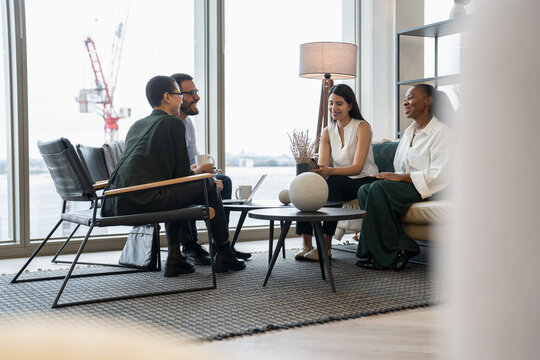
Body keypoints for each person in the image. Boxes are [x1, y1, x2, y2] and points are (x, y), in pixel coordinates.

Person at [102, 75, 245, 276]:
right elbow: (181, 176)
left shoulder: (138, 124)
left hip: (118, 201)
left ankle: (175, 256)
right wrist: (202, 173)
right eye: (179, 94)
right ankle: (224, 251)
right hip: (143, 201)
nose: (181, 99)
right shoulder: (173, 124)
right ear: (167, 97)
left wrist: (194, 173)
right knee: (209, 186)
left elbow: (171, 175)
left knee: (176, 190)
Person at [356, 84, 451, 271]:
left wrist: (399, 178)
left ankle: (386, 255)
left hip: (432, 187)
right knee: (365, 189)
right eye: (405, 98)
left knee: (377, 189)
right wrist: (389, 176)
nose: (405, 102)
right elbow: (400, 168)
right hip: (411, 185)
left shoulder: (442, 132)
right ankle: (397, 246)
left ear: (428, 101)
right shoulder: (409, 133)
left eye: (411, 97)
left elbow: (440, 175)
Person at [170, 73, 251, 262]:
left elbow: (193, 159)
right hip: (178, 181)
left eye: (196, 91)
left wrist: (210, 177)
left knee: (224, 181)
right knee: (195, 186)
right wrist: (203, 176)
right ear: (176, 96)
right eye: (191, 93)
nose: (197, 97)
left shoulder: (187, 123)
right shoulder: (170, 126)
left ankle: (220, 245)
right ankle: (190, 246)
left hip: (189, 175)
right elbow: (177, 169)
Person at [295, 84, 379, 261]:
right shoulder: (327, 131)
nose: (334, 108)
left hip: (364, 180)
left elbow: (357, 167)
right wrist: (314, 172)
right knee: (303, 183)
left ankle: (325, 247)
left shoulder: (362, 127)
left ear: (350, 105)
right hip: (341, 180)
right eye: (331, 104)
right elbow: (324, 165)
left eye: (339, 104)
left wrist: (330, 171)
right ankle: (306, 244)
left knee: (333, 182)